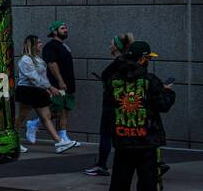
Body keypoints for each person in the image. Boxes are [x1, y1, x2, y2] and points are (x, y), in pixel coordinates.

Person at [102, 40, 175, 191]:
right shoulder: (150, 81)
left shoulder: (114, 81)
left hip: (123, 137)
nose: (149, 61)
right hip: (146, 139)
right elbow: (163, 105)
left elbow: (109, 104)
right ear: (143, 59)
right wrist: (169, 92)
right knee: (148, 182)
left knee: (120, 179)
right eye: (148, 58)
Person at [14, 35, 75, 152]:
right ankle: (12, 142)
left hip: (38, 91)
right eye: (38, 43)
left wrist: (48, 89)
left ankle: (60, 143)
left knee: (46, 116)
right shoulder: (25, 60)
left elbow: (43, 77)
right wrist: (50, 87)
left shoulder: (38, 59)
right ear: (32, 45)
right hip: (27, 91)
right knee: (21, 117)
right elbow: (34, 78)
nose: (41, 44)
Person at [87, 33, 133, 176]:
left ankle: (102, 165)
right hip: (124, 105)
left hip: (112, 105)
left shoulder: (118, 63)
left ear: (117, 47)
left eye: (111, 43)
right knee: (126, 134)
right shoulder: (129, 62)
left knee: (106, 135)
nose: (109, 46)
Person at [35, 19, 81, 149]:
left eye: (65, 28)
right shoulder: (51, 46)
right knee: (55, 111)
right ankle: (34, 123)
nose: (65, 30)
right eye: (62, 28)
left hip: (69, 85)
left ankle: (64, 136)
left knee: (65, 111)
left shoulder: (64, 46)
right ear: (54, 32)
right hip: (57, 85)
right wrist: (60, 81)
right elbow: (51, 64)